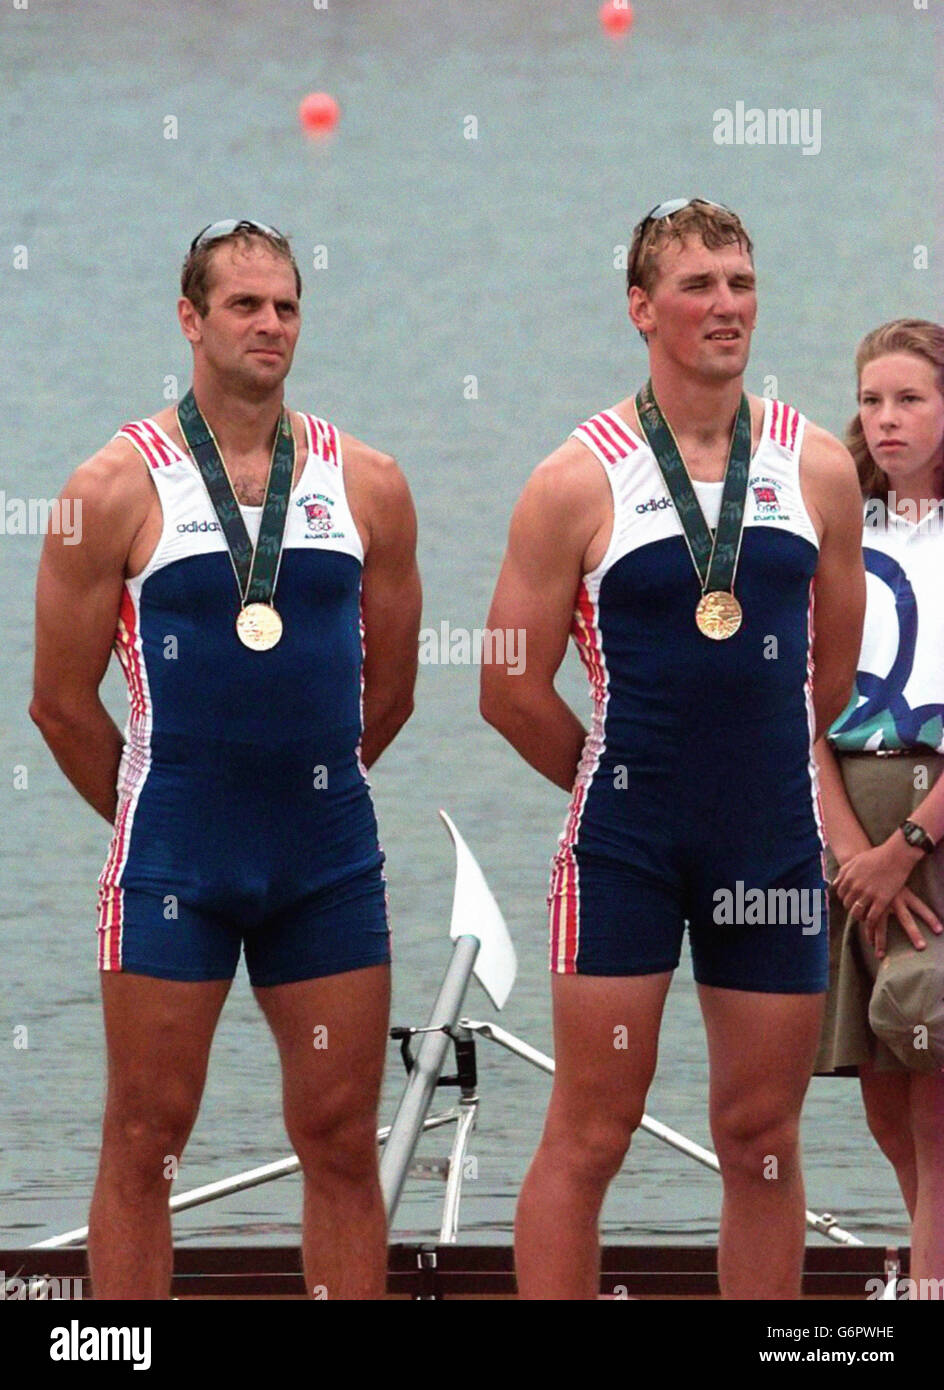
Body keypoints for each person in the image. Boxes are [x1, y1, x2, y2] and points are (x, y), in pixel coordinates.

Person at [480, 199, 866, 1299]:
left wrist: (745, 766)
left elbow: (824, 675)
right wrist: (620, 772)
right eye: (697, 285)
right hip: (625, 850)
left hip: (770, 841)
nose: (725, 306)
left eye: (740, 282)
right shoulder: (573, 480)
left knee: (760, 1135)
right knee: (592, 1131)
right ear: (640, 307)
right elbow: (507, 685)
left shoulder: (818, 467)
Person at [30, 219, 422, 1300]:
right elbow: (59, 706)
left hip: (325, 856)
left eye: (286, 306)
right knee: (146, 1135)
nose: (270, 325)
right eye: (244, 305)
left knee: (341, 1134)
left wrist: (304, 785)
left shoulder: (369, 482)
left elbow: (388, 693)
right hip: (174, 860)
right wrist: (161, 812)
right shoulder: (111, 486)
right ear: (190, 319)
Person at [814, 319, 944, 1295]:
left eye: (909, 399)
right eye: (871, 400)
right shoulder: (834, 528)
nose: (886, 419)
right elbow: (797, 703)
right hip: (843, 831)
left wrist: (904, 843)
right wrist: (848, 847)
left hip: (927, 823)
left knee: (938, 1110)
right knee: (883, 1106)